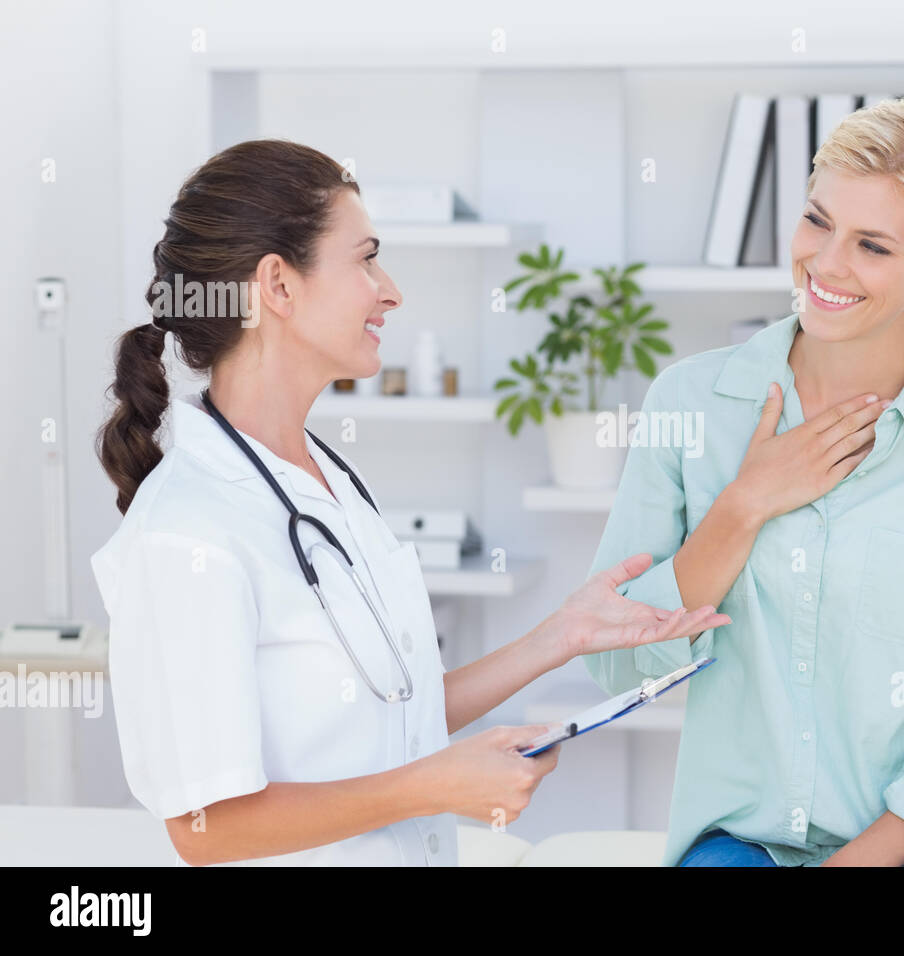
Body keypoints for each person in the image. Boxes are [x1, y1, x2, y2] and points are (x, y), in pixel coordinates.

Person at [91, 139, 729, 866]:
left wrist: (560, 638)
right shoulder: (186, 534)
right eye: (364, 258)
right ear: (278, 285)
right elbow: (208, 826)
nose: (389, 290)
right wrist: (433, 786)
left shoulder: (326, 476)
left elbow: (391, 711)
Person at [584, 100, 904, 867]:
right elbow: (615, 661)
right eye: (816, 221)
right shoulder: (688, 405)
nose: (827, 263)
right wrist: (745, 504)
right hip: (741, 842)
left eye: (871, 245)